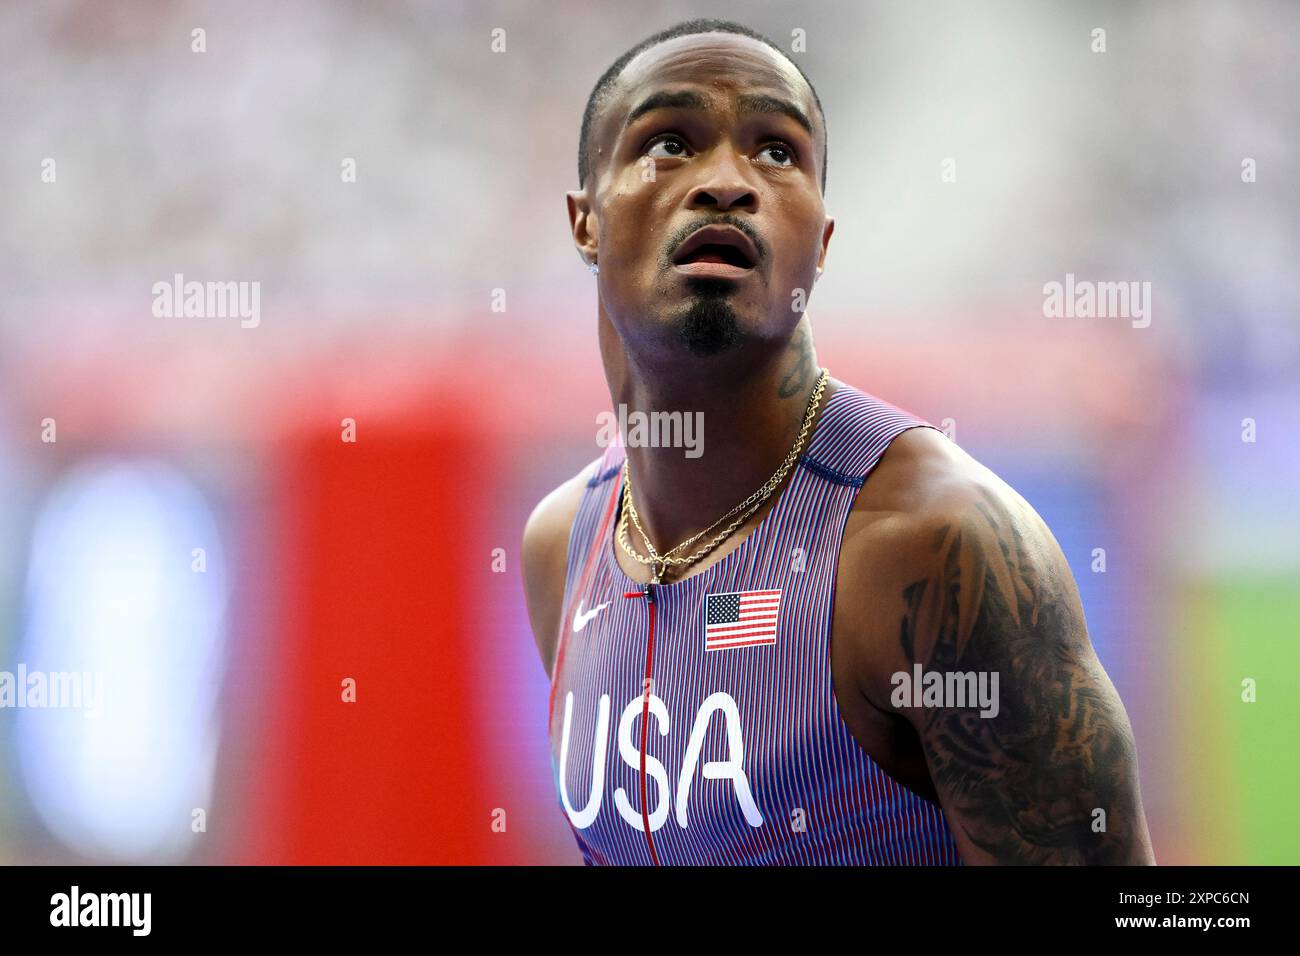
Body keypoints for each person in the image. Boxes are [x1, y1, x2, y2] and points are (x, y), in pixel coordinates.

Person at [521, 18, 1155, 865]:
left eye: (777, 152)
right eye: (670, 142)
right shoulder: (565, 546)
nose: (725, 181)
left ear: (820, 242)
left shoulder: (934, 547)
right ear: (585, 222)